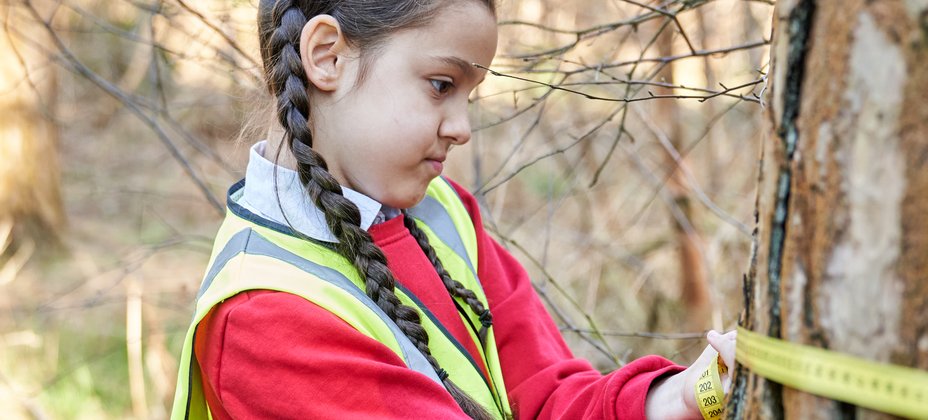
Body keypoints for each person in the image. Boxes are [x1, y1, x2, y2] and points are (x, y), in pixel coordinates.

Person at [170, 0, 737, 419]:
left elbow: (550, 395)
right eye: (441, 85)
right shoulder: (265, 316)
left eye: (470, 94)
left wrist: (687, 396)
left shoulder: (443, 213)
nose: (462, 128)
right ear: (328, 57)